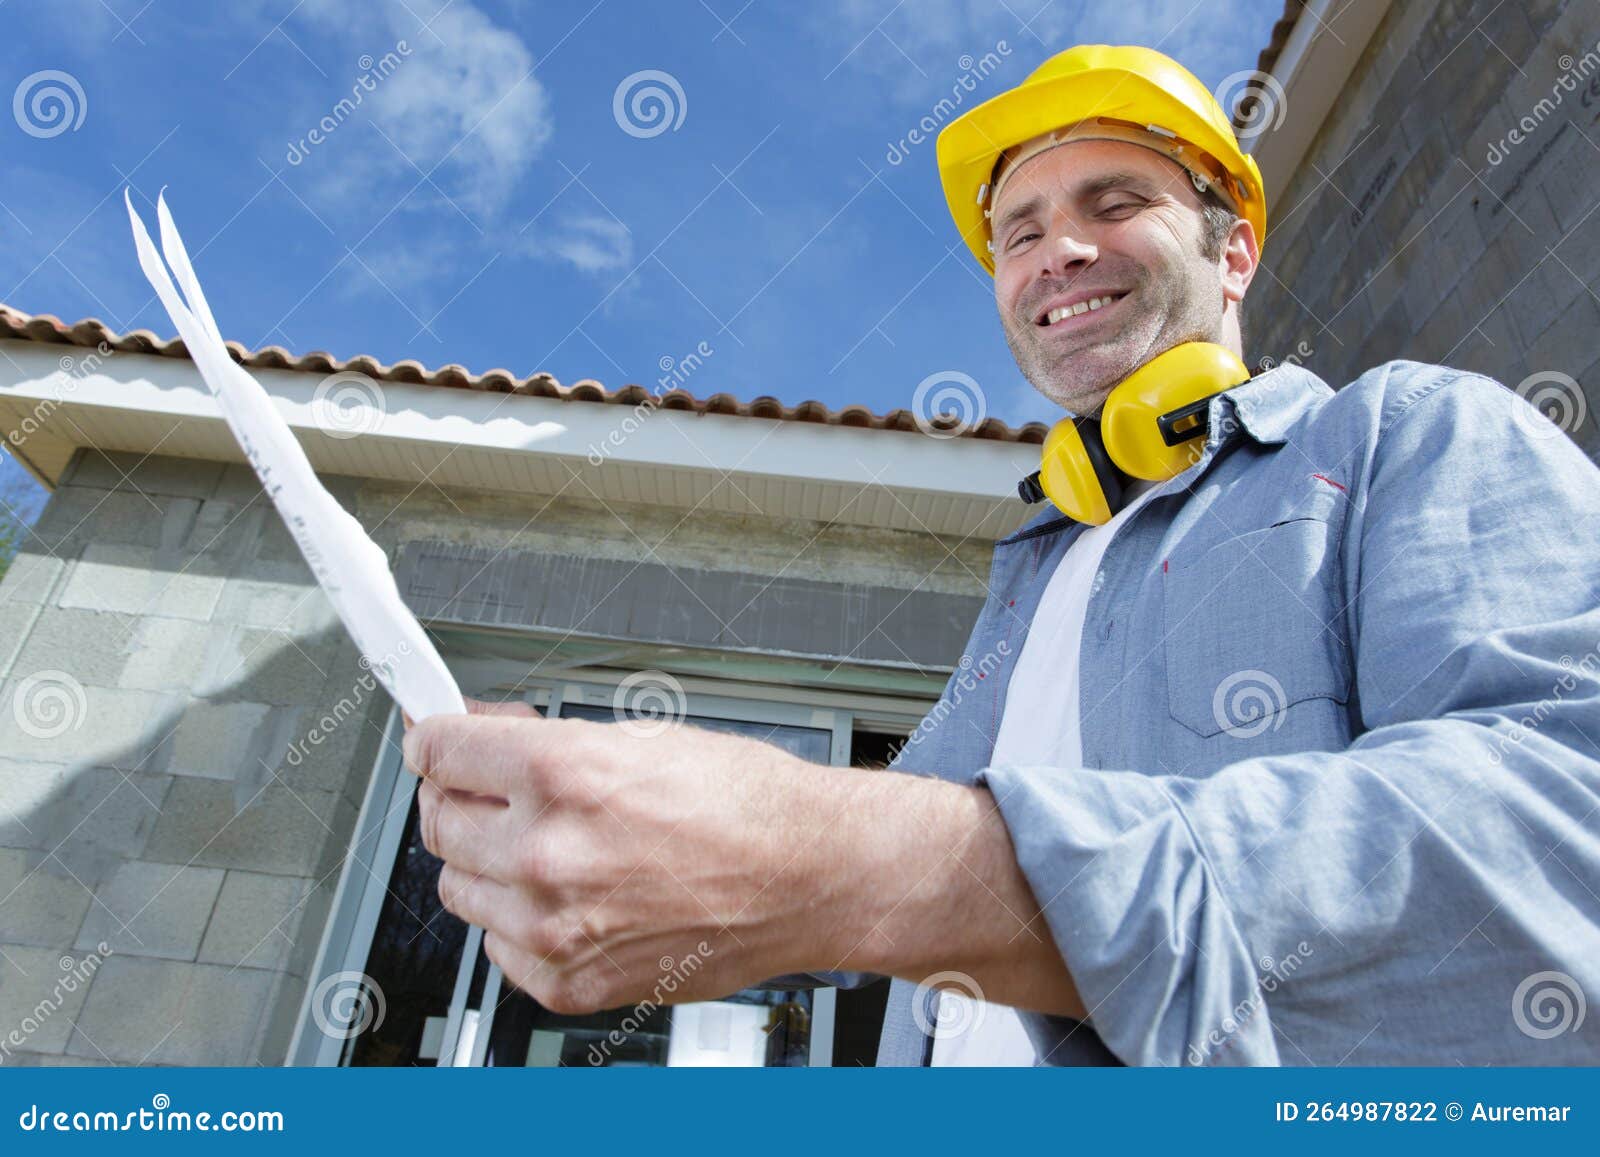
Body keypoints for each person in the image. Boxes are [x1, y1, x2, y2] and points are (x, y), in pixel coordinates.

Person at [401, 44, 1600, 1066]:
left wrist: (860, 857)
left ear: (1232, 253)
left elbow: (1558, 832)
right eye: (1018, 232)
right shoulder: (1029, 578)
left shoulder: (1404, 433)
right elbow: (849, 894)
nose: (1056, 251)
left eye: (1113, 202)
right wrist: (629, 822)